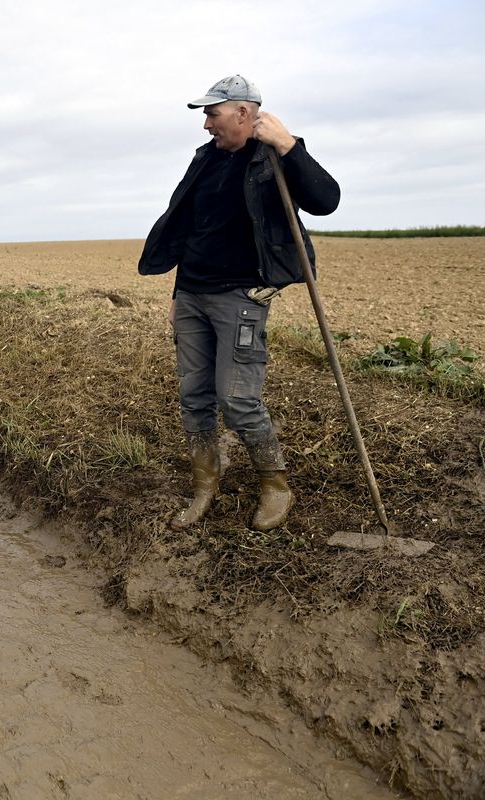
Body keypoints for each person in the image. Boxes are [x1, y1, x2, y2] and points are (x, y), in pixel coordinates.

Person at [138, 75, 340, 532]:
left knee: (237, 399)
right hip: (193, 294)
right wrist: (177, 294)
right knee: (194, 396)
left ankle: (275, 485)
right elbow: (188, 228)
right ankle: (204, 483)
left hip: (241, 297)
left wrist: (289, 145)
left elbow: (326, 201)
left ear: (243, 113)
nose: (206, 124)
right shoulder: (205, 160)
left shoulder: (273, 156)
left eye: (213, 114)